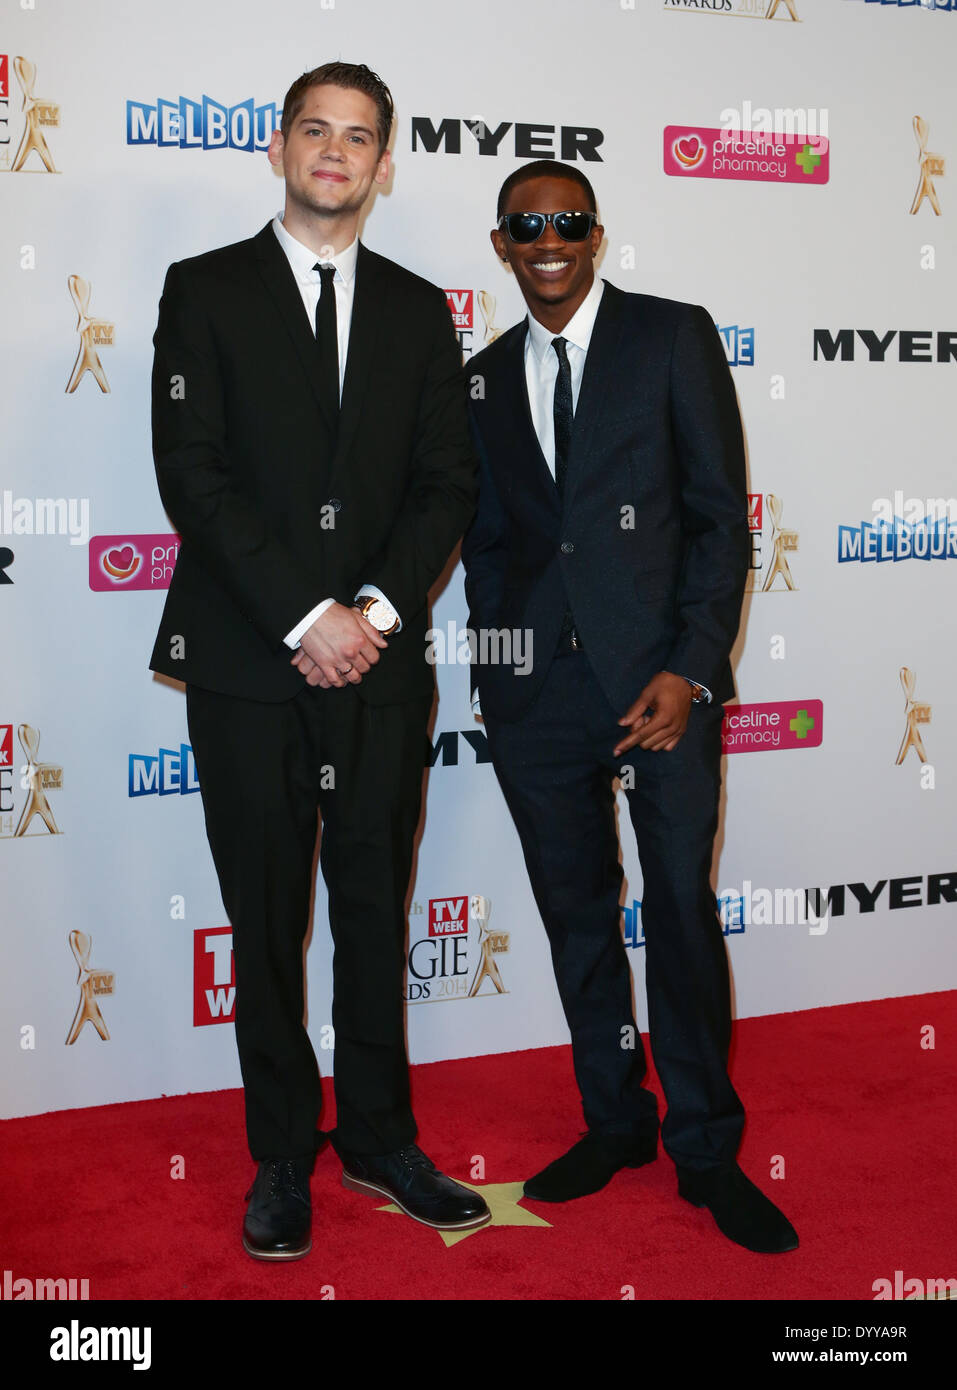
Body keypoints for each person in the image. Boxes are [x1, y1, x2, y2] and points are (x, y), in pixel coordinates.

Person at [149, 61, 485, 1261]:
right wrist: (308, 614)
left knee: (369, 911)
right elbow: (192, 473)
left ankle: (384, 1138)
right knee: (264, 916)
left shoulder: (417, 308)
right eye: (315, 131)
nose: (335, 152)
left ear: (385, 165)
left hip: (382, 671)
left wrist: (378, 611)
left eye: (358, 137)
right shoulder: (203, 291)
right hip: (250, 666)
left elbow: (448, 478)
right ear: (281, 148)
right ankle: (281, 1154)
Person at [462, 160, 797, 1253]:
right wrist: (497, 675)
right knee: (576, 919)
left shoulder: (671, 336)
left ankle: (706, 1147)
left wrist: (692, 668)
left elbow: (718, 519)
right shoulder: (482, 377)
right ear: (503, 242)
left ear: (596, 237)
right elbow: (493, 547)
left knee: (683, 916)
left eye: (567, 221)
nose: (548, 239)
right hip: (538, 696)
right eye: (527, 224)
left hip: (660, 682)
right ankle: (617, 1120)